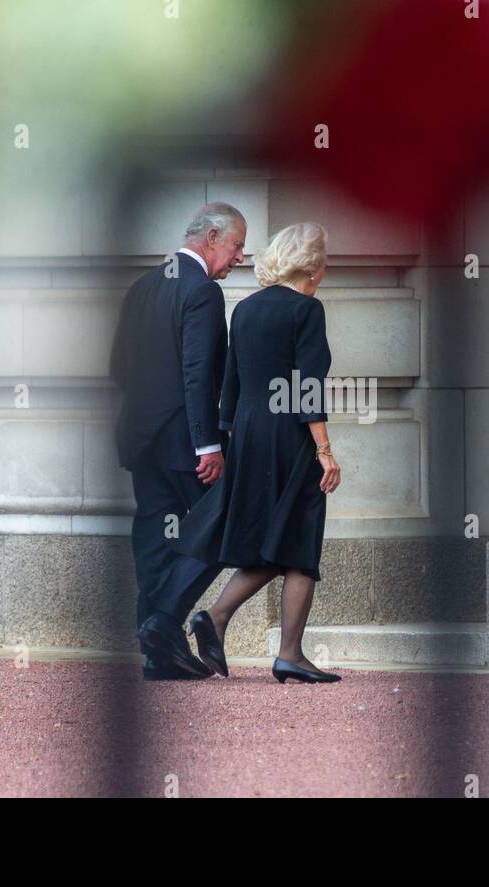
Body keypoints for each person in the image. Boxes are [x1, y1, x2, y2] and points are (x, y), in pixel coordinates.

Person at [173, 222, 343, 684]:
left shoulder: (245, 309)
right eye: (324, 258)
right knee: (301, 538)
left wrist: (228, 438)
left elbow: (231, 382)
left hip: (249, 432)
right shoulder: (307, 310)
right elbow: (307, 386)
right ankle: (289, 653)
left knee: (277, 535)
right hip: (289, 434)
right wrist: (324, 449)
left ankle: (218, 617)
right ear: (311, 265)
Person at [109, 202, 245, 680]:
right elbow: (197, 373)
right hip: (186, 442)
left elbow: (117, 369)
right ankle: (165, 623)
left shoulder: (143, 286)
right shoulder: (202, 290)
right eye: (236, 245)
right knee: (221, 523)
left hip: (141, 436)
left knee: (154, 536)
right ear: (211, 238)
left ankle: (154, 650)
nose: (240, 257)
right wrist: (207, 445)